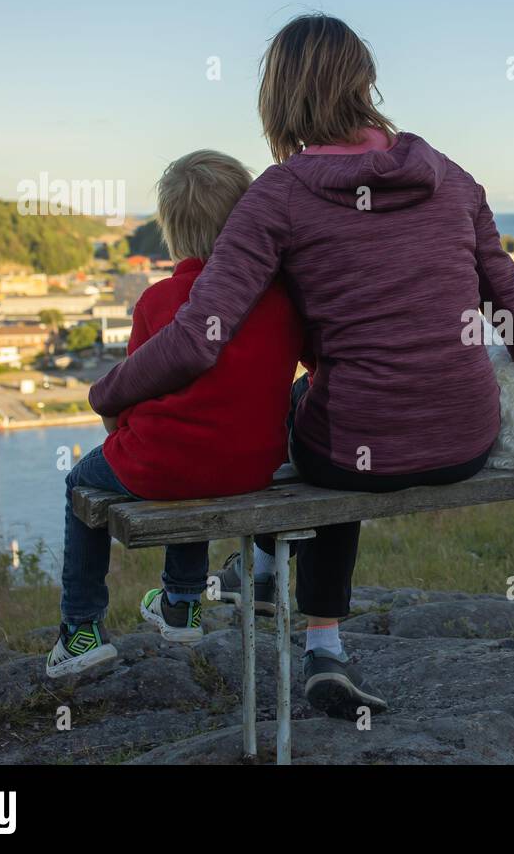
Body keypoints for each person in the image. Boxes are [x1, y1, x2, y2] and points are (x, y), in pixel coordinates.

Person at [88, 13, 514, 719]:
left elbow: (197, 339)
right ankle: (301, 618)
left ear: (280, 98)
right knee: (344, 401)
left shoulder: (279, 193)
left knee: (332, 415)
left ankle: (306, 621)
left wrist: (107, 395)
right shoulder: (453, 179)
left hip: (352, 447)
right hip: (465, 439)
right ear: (364, 81)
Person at [48, 150, 302, 679]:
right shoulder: (279, 300)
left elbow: (136, 393)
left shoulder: (159, 300)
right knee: (200, 460)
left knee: (79, 484)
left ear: (172, 231)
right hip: (250, 469)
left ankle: (80, 632)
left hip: (163, 465)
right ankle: (181, 602)